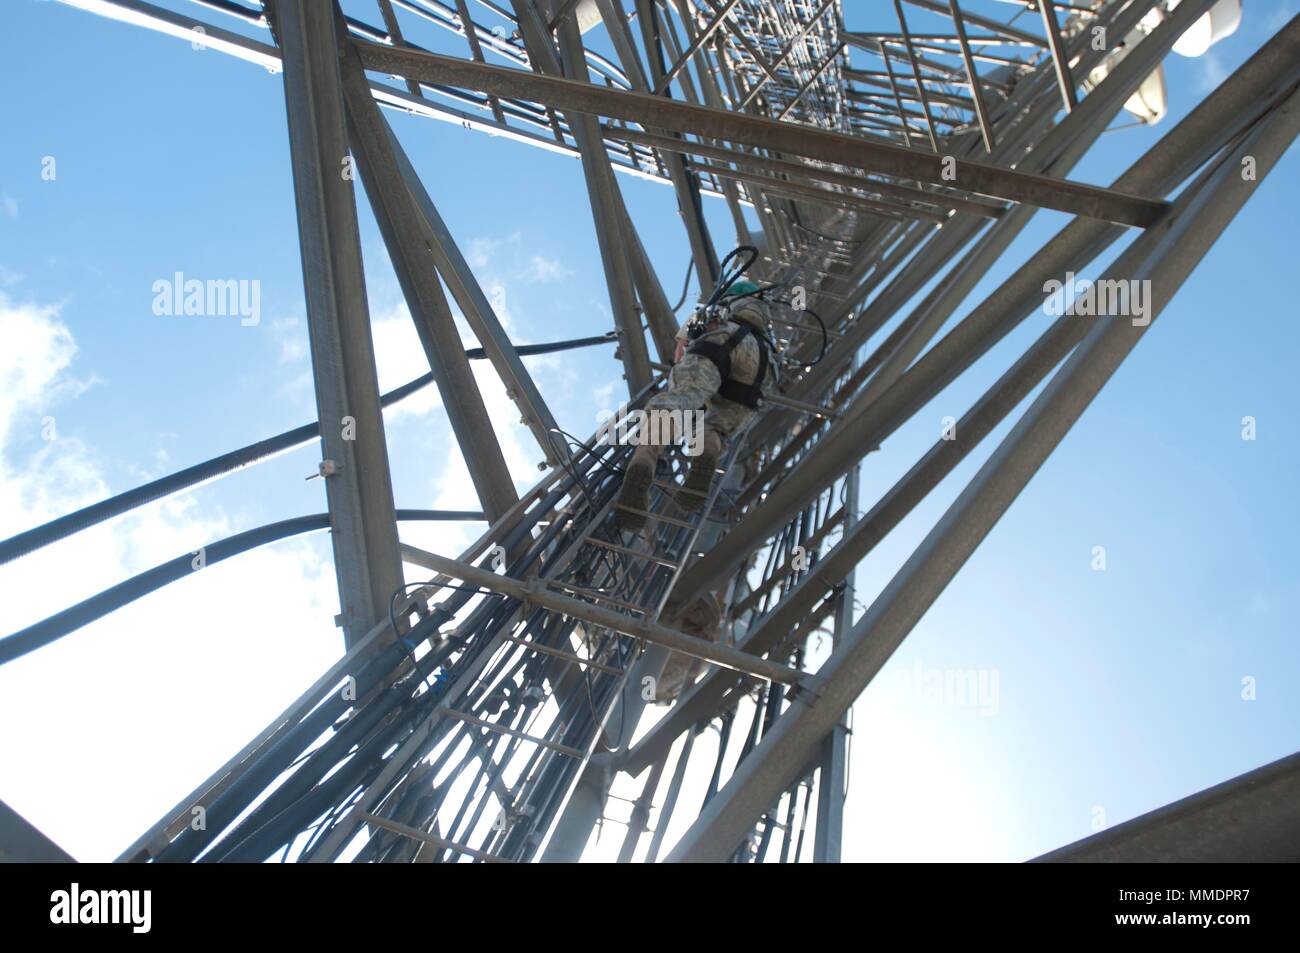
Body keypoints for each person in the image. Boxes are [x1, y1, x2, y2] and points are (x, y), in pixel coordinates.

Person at [615, 280, 774, 531]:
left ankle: (644, 459)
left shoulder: (711, 311)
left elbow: (681, 355)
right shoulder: (767, 330)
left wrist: (686, 379)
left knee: (677, 401)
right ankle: (707, 454)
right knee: (717, 427)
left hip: (722, 341)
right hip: (761, 364)